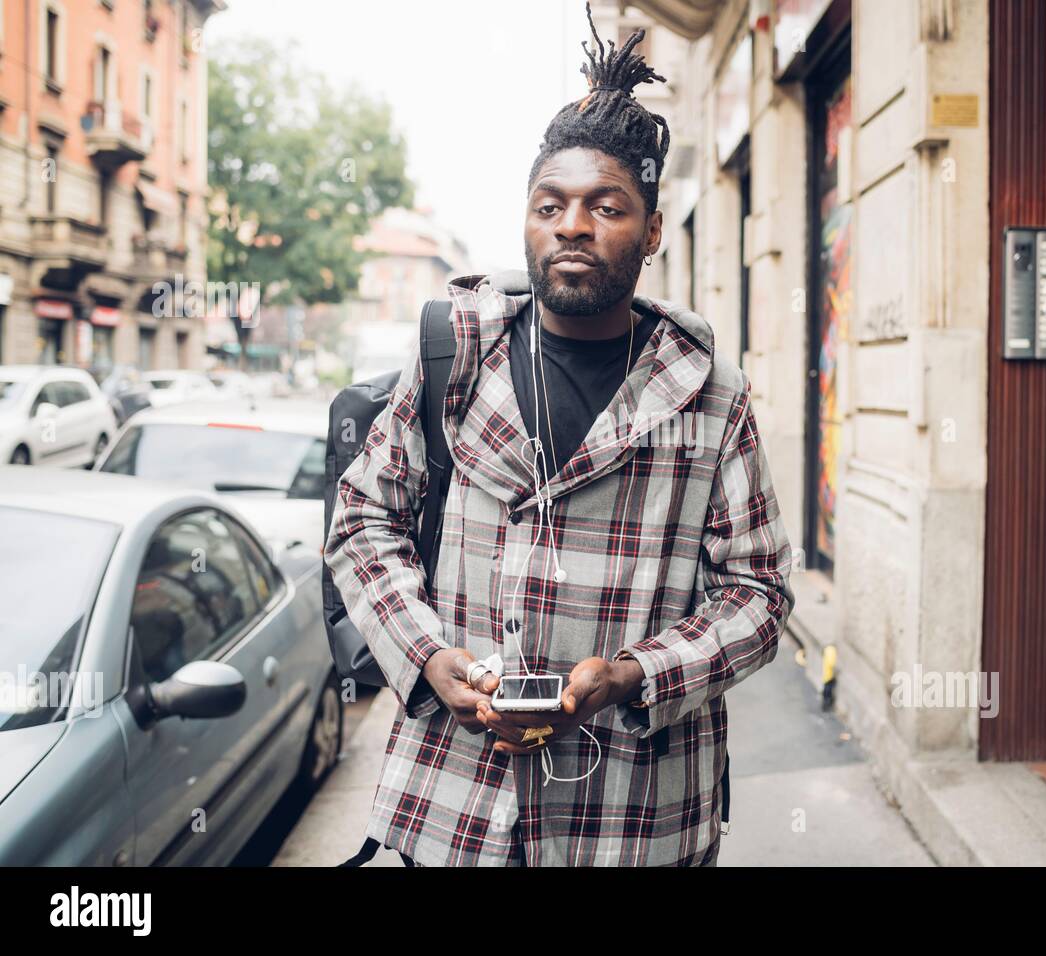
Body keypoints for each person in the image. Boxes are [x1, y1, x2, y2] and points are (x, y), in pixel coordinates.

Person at [324, 2, 795, 867]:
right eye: (551, 205)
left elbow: (760, 595)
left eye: (606, 206)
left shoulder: (709, 394)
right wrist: (429, 659)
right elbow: (362, 522)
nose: (573, 225)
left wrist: (632, 676)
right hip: (457, 808)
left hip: (637, 820)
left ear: (653, 230)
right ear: (527, 221)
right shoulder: (455, 354)